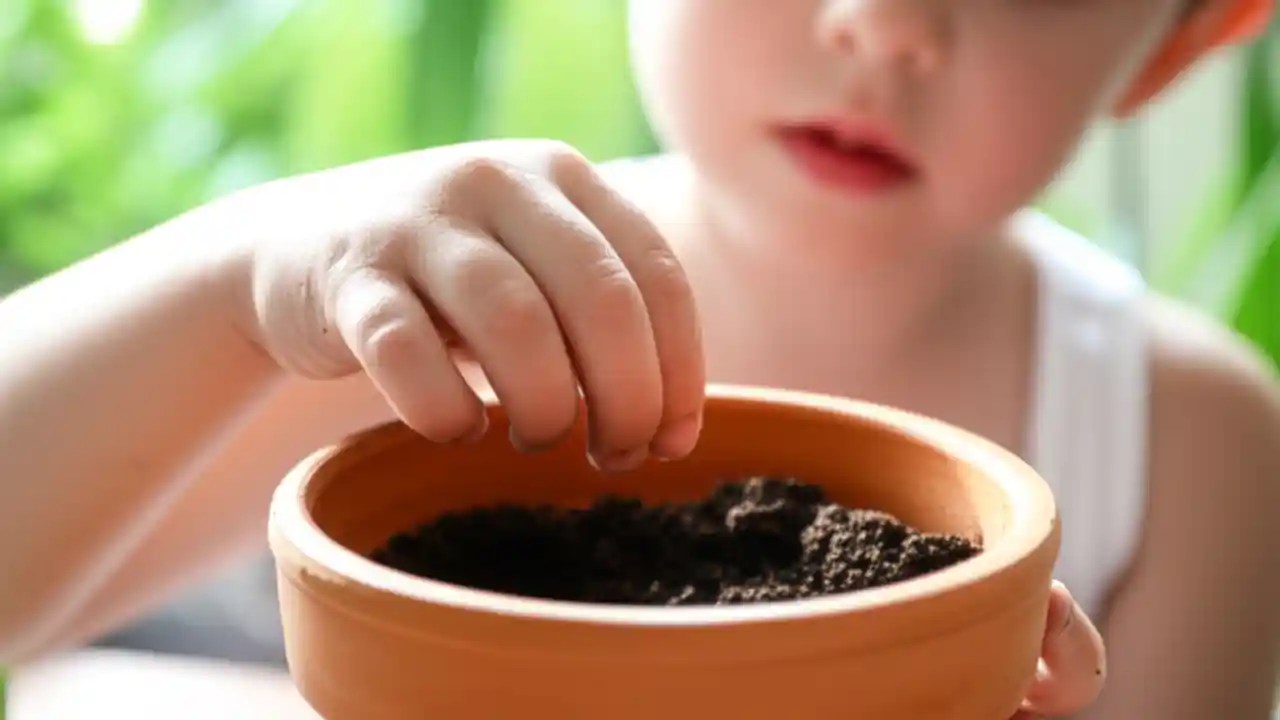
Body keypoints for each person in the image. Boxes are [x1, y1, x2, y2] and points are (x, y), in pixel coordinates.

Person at [1, 0, 1277, 716]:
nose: (887, 27)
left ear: (1172, 42)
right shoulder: (447, 301)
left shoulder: (1194, 438)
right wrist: (231, 281)